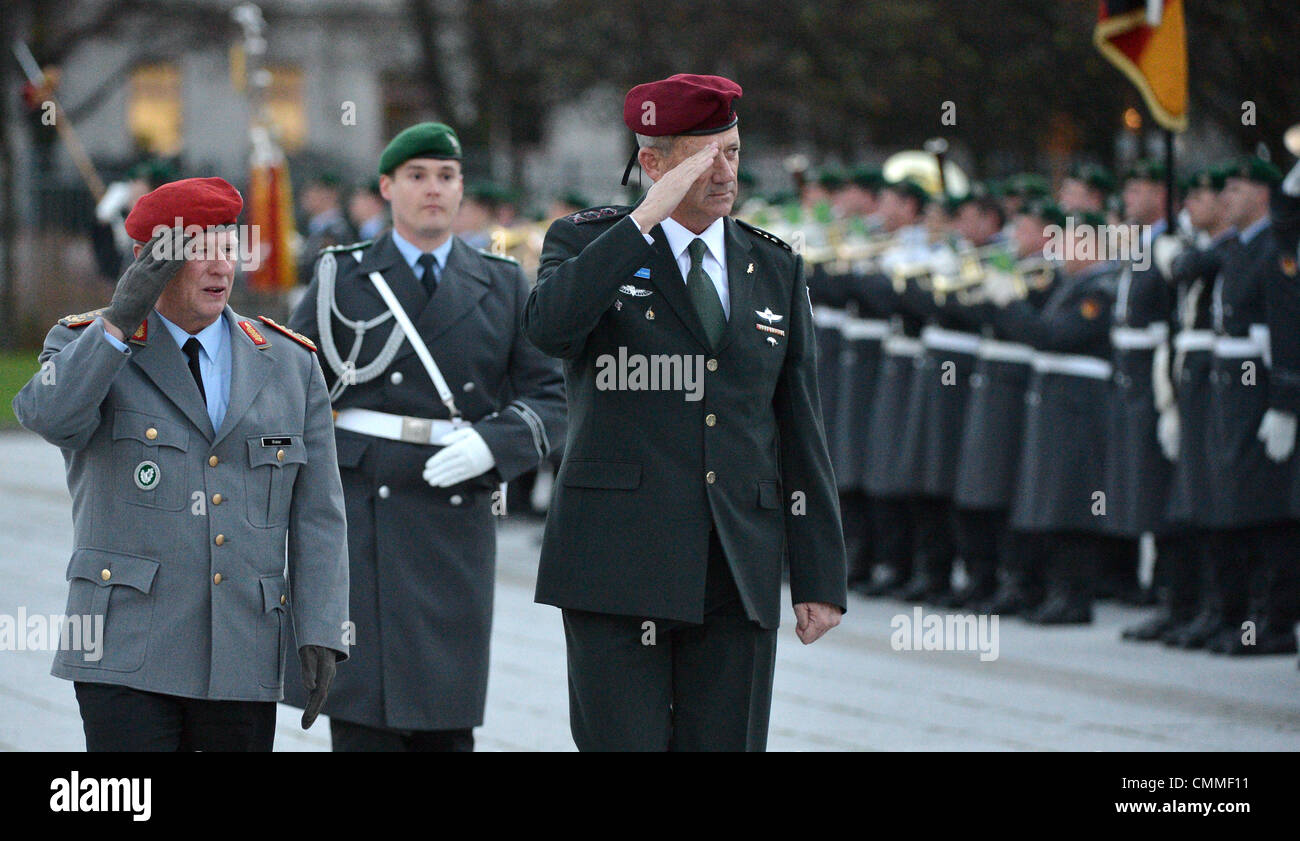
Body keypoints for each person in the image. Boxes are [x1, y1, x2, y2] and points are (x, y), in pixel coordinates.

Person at [522, 73, 846, 751]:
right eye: (705, 156)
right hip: (617, 562)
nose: (726, 170)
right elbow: (549, 329)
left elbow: (797, 422)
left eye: (733, 150)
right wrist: (643, 222)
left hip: (735, 563)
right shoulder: (586, 244)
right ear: (652, 163)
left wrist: (820, 573)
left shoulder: (773, 265)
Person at [12, 176, 349, 751]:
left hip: (242, 649)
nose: (221, 267)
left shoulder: (290, 363)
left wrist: (321, 627)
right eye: (199, 250)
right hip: (123, 651)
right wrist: (118, 321)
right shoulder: (85, 346)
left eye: (228, 247)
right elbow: (49, 415)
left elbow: (319, 513)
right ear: (151, 263)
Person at [283, 122, 566, 750]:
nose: (432, 189)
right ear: (387, 187)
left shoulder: (502, 281)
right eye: (416, 176)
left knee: (446, 710)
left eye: (446, 175)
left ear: (461, 187)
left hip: (455, 509)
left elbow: (550, 394)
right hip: (362, 510)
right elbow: (291, 388)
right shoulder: (341, 276)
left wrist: (498, 444)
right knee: (363, 715)